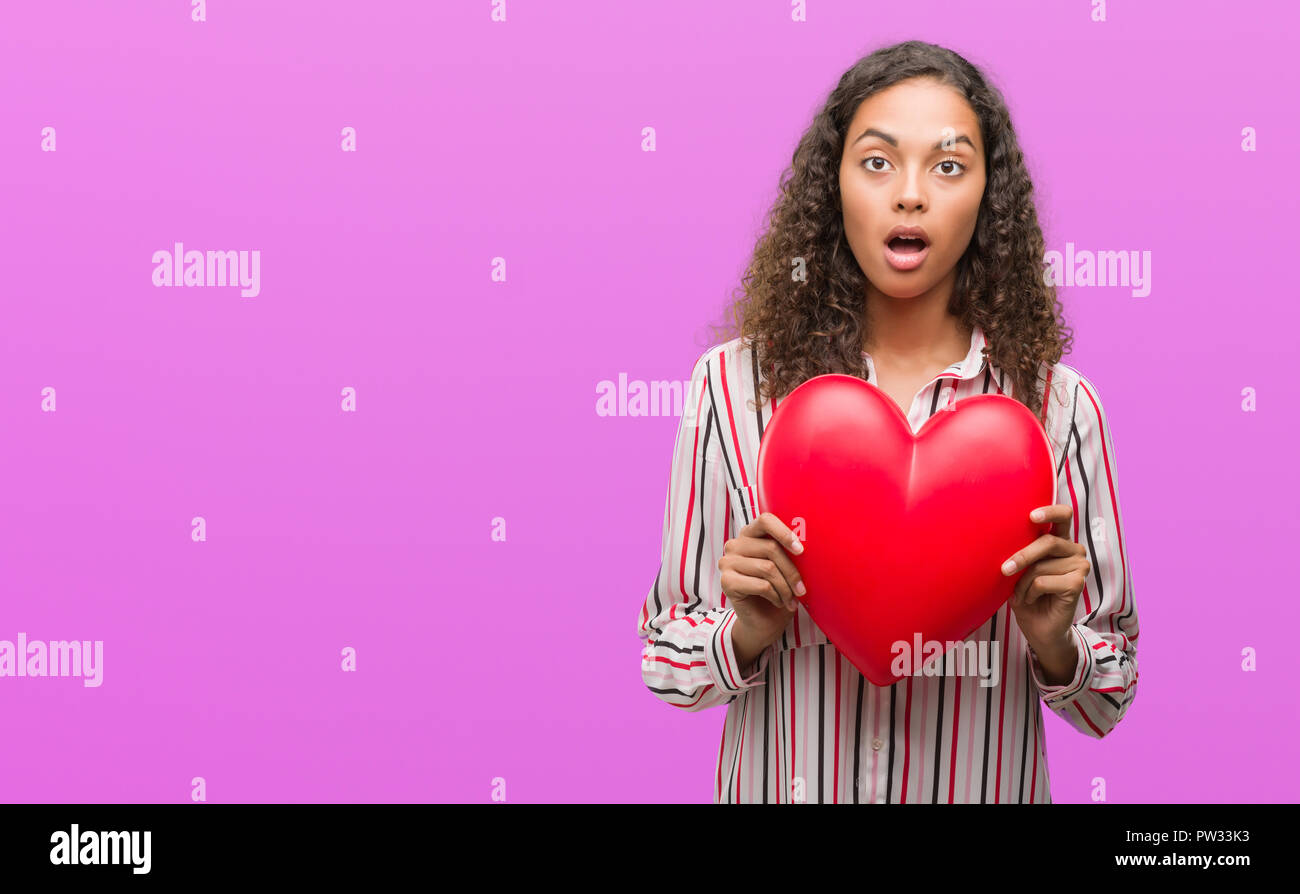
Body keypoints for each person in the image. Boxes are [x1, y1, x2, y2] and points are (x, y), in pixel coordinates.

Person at [636, 41, 1138, 804]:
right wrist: (741, 632)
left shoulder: (1060, 409)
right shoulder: (733, 387)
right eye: (877, 162)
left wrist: (1055, 644)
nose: (910, 195)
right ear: (832, 186)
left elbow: (1112, 694)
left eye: (948, 165)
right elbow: (666, 664)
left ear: (988, 196)